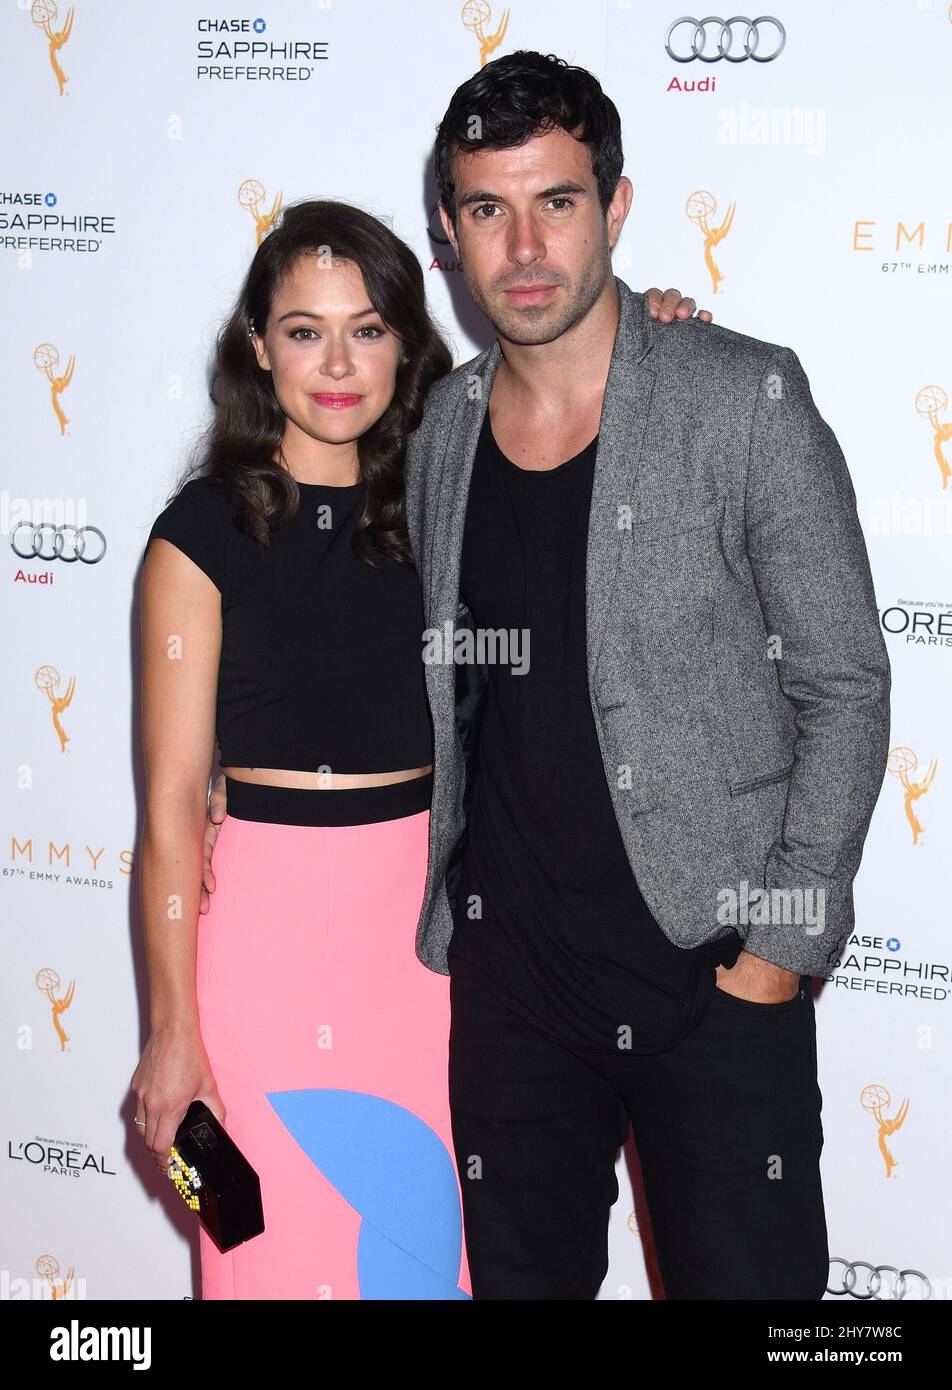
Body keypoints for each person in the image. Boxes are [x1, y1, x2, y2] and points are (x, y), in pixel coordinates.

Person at [132, 195, 707, 1300]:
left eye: (368, 328)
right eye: (304, 330)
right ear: (258, 347)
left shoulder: (454, 491)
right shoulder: (199, 535)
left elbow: (583, 420)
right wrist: (169, 1032)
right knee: (250, 1239)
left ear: (407, 338)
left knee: (424, 1255)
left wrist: (659, 336)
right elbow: (167, 808)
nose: (337, 363)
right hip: (256, 941)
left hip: (434, 943)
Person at [397, 50, 890, 1300]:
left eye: (555, 202)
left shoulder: (741, 397)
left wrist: (775, 954)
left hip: (712, 984)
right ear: (449, 231)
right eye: (486, 209)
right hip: (513, 1003)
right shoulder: (440, 430)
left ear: (614, 208)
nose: (522, 246)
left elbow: (843, 686)